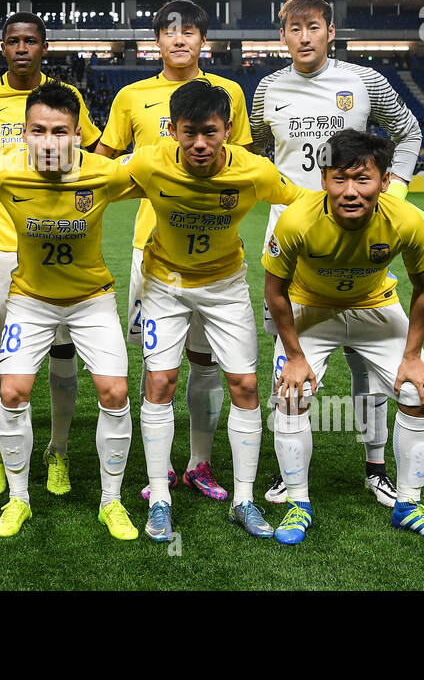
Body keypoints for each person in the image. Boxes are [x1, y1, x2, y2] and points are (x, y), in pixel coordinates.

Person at [249, 0, 424, 508]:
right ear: (282, 36)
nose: (303, 37)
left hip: (357, 228)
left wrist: (394, 193)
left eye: (313, 27)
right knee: (289, 358)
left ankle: (376, 468)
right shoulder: (266, 90)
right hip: (291, 234)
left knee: (367, 363)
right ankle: (290, 475)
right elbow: (258, 149)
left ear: (331, 31)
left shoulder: (365, 82)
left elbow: (409, 132)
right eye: (293, 28)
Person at [122, 79, 303, 541]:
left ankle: (244, 499)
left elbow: (305, 203)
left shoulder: (255, 171)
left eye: (210, 132)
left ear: (227, 129)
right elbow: (97, 184)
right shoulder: (149, 162)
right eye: (189, 133)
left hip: (225, 286)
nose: (200, 144)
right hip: (165, 285)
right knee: (160, 381)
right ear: (173, 130)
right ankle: (159, 496)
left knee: (244, 384)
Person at [262, 129, 424, 546]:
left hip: (376, 307)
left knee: (417, 394)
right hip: (309, 308)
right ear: (324, 178)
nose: (350, 191)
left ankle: (409, 504)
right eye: (339, 178)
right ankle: (298, 503)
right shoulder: (296, 219)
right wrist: (295, 357)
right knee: (290, 395)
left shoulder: (406, 220)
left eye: (362, 179)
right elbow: (274, 293)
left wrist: (413, 355)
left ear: (385, 181)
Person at [96, 0, 250, 502]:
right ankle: (155, 472)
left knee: (206, 364)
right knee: (155, 369)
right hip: (153, 251)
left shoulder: (228, 94)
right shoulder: (131, 96)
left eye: (190, 32)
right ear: (156, 40)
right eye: (169, 31)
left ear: (204, 39)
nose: (179, 40)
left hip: (217, 253)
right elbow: (103, 165)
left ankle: (199, 464)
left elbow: (241, 163)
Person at [0, 82, 139, 540]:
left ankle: (112, 502)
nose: (49, 142)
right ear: (23, 133)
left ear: (79, 134)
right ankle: (18, 499)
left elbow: (162, 178)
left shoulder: (105, 174)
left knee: (114, 393)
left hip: (92, 300)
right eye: (38, 131)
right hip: (29, 300)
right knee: (12, 392)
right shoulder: (1, 173)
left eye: (61, 132)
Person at [0, 12, 101, 498]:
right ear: (2, 48)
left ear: (44, 46)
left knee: (62, 353)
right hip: (1, 247)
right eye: (13, 41)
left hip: (60, 244)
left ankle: (56, 451)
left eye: (30, 41)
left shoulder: (67, 99)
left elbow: (96, 155)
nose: (21, 48)